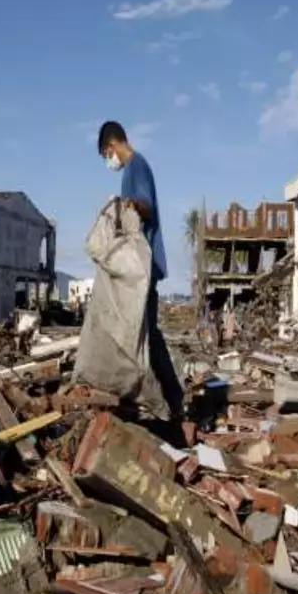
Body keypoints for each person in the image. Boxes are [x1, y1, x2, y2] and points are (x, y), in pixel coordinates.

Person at [97, 121, 188, 439]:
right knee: (141, 332)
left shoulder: (136, 166)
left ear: (111, 145)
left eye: (106, 154)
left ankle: (170, 400)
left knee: (144, 333)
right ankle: (149, 400)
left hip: (143, 265)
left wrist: (127, 206)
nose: (110, 160)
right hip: (139, 265)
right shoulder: (131, 170)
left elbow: (146, 208)